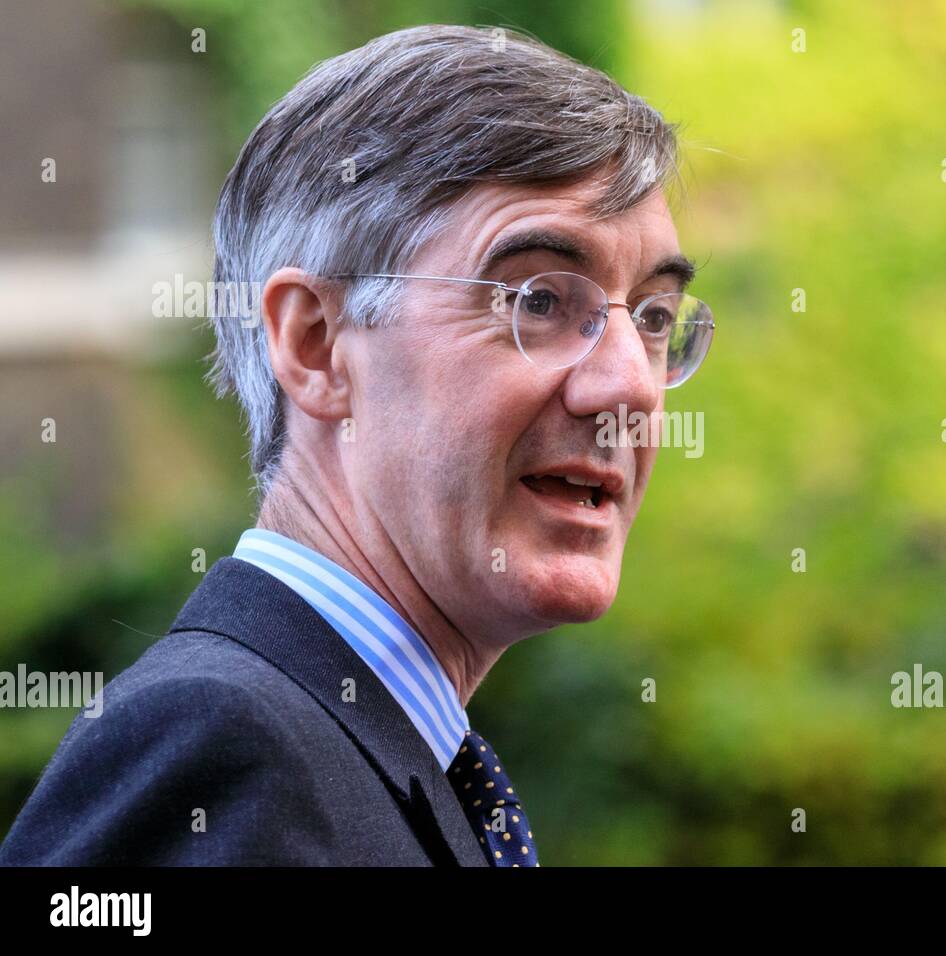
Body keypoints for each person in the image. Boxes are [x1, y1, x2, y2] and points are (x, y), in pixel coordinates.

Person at [0, 23, 713, 866]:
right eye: (538, 301)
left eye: (657, 317)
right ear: (314, 345)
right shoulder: (223, 747)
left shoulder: (378, 756)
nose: (629, 385)